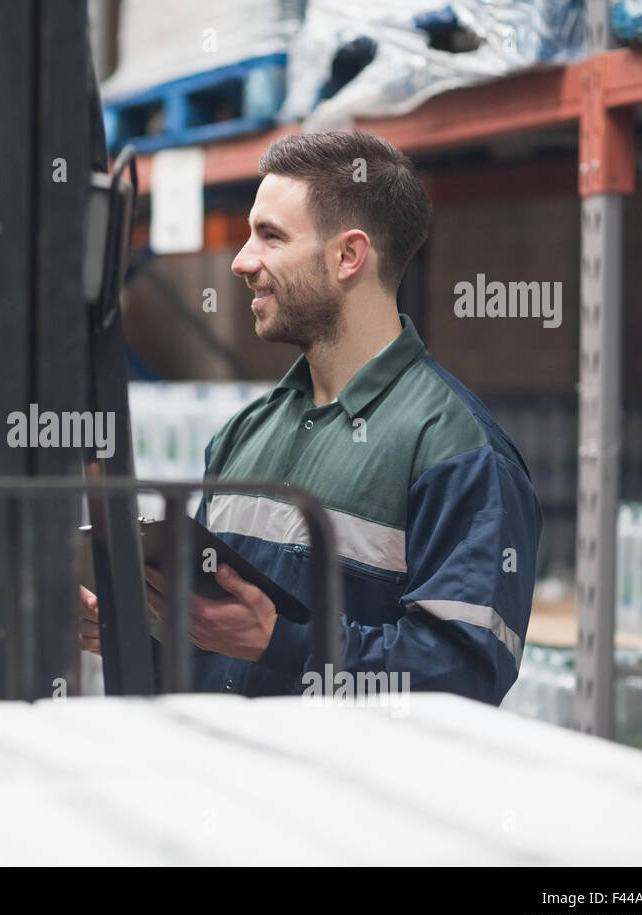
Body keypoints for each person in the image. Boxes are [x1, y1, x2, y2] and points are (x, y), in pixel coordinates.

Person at [80, 129, 541, 706]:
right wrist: (135, 635)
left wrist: (284, 643)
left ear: (348, 256)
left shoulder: (456, 450)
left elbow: (465, 676)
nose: (243, 262)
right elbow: (213, 639)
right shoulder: (245, 433)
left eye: (270, 237)